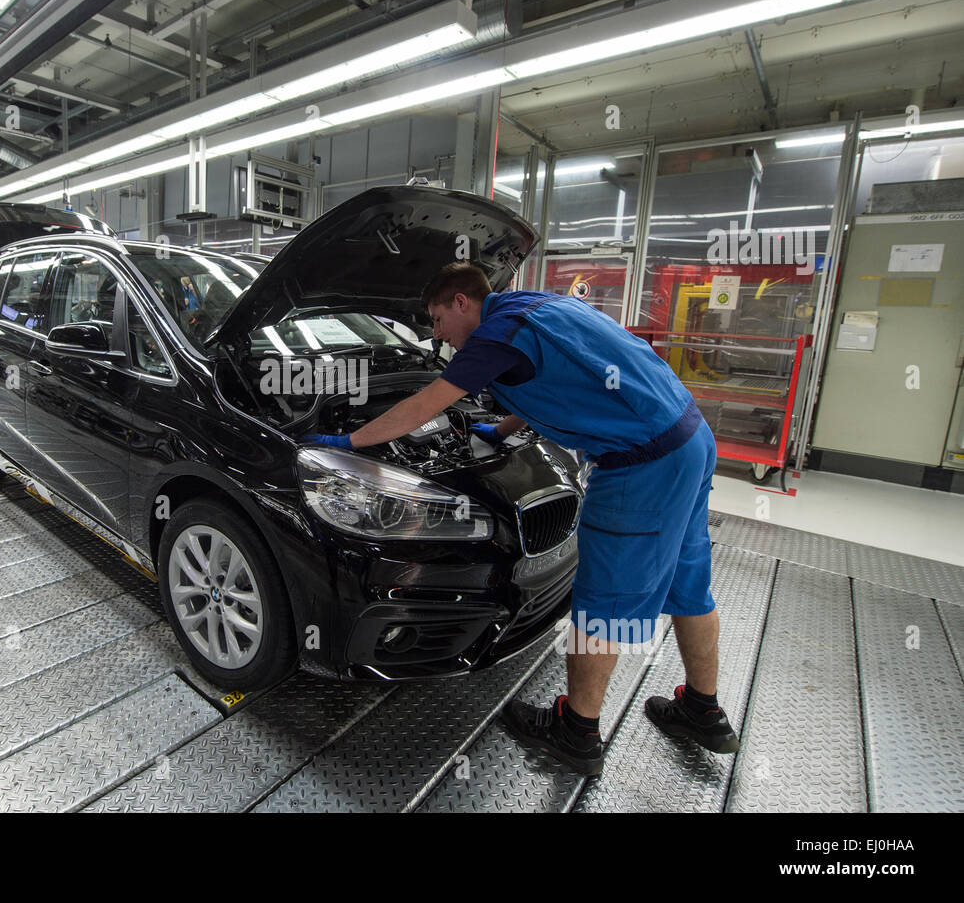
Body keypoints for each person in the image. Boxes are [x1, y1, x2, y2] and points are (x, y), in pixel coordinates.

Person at [301, 263, 738, 776]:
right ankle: (703, 710)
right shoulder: (542, 307)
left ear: (462, 303)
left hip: (643, 467)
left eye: (438, 319)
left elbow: (423, 405)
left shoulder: (493, 337)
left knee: (603, 603)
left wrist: (347, 443)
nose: (435, 333)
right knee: (690, 582)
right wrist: (501, 427)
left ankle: (577, 732)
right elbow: (568, 379)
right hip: (690, 437)